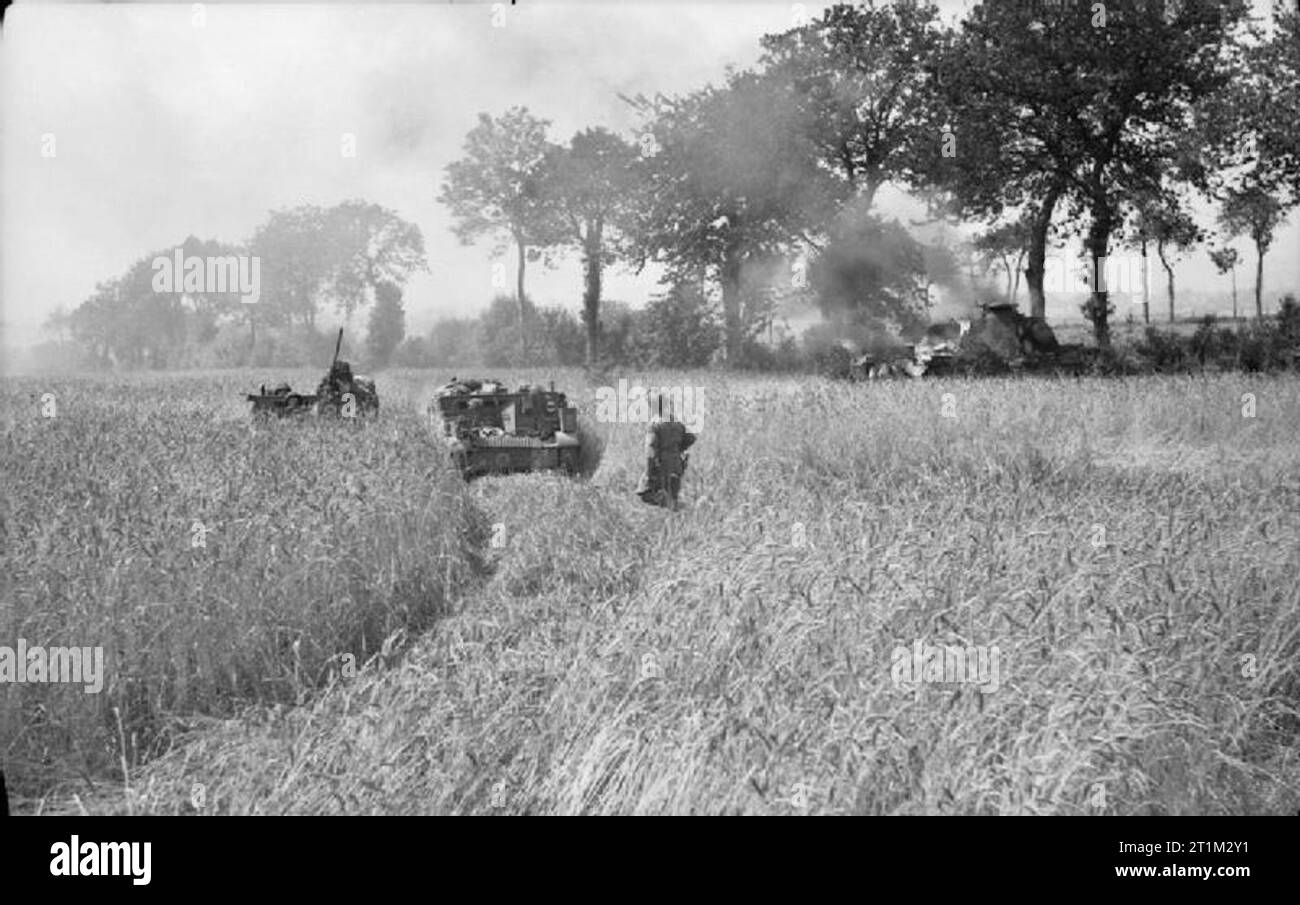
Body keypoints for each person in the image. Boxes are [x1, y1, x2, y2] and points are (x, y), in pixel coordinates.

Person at [636, 391, 696, 510]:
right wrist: (677, 449)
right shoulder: (677, 423)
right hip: (677, 466)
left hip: (661, 467)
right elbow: (691, 438)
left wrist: (649, 473)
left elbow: (651, 451)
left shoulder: (654, 425)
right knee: (672, 497)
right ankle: (680, 510)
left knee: (645, 493)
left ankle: (685, 508)